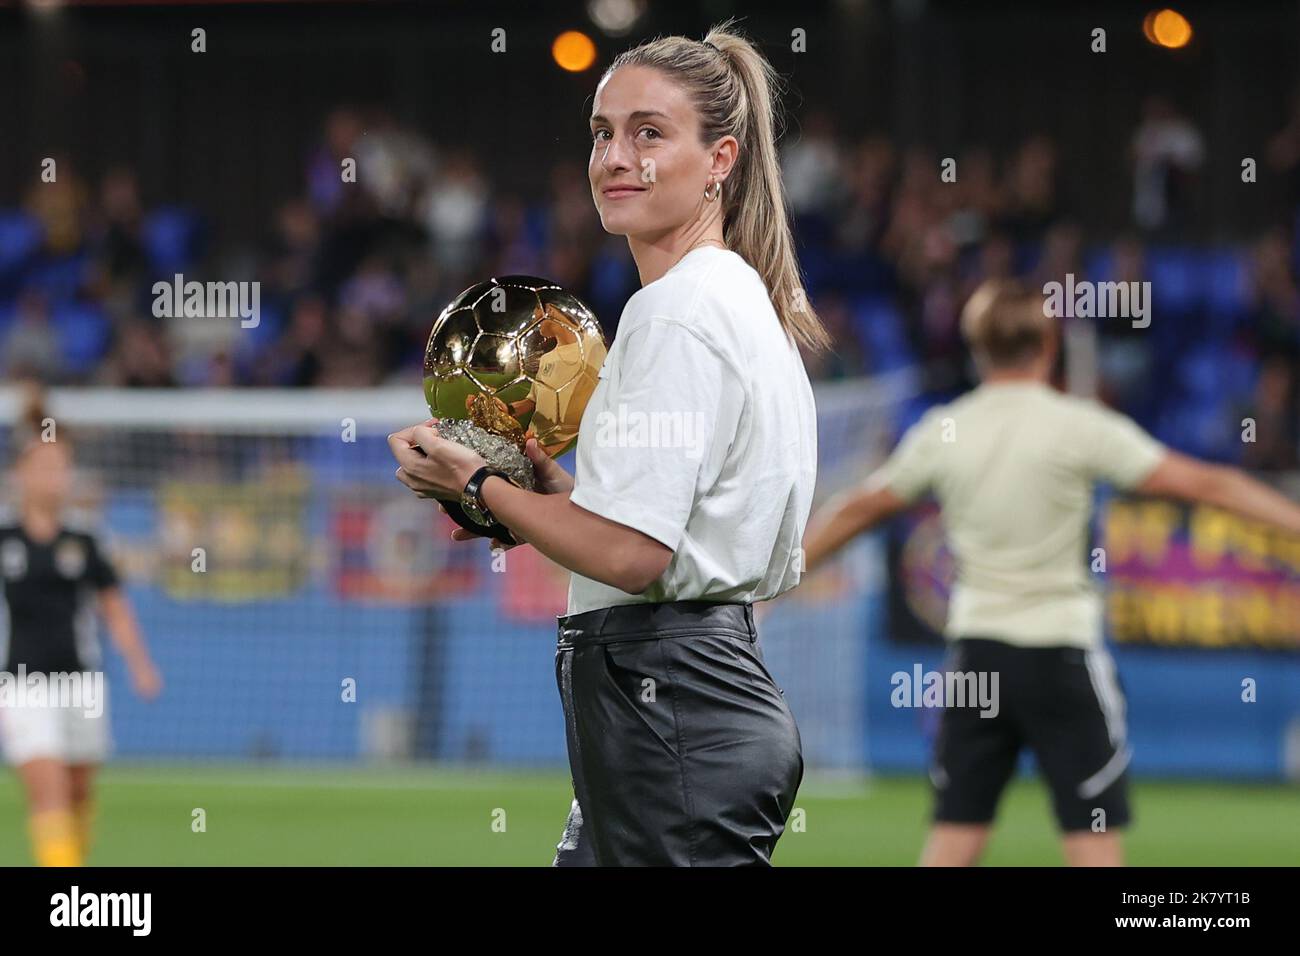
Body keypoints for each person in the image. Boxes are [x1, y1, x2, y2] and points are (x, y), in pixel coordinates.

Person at [388, 20, 827, 866]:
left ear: (721, 161)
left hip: (673, 708)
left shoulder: (675, 312)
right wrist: (543, 493)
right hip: (687, 701)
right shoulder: (735, 297)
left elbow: (633, 557)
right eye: (602, 133)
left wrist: (480, 482)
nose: (616, 156)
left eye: (649, 134)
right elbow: (660, 539)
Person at [802, 278, 1300, 867]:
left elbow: (859, 507)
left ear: (975, 346)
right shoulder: (1078, 427)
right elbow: (1210, 485)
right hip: (1059, 654)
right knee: (1093, 848)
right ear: (1049, 343)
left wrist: (777, 577)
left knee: (953, 841)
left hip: (976, 658)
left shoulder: (944, 432)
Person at [0, 390, 163, 866]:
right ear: (22, 475)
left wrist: (141, 665)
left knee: (77, 792)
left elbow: (114, 607)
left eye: (62, 467)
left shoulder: (85, 540)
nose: (56, 478)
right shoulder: (5, 539)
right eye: (46, 467)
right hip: (21, 682)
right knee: (46, 787)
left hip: (82, 680)